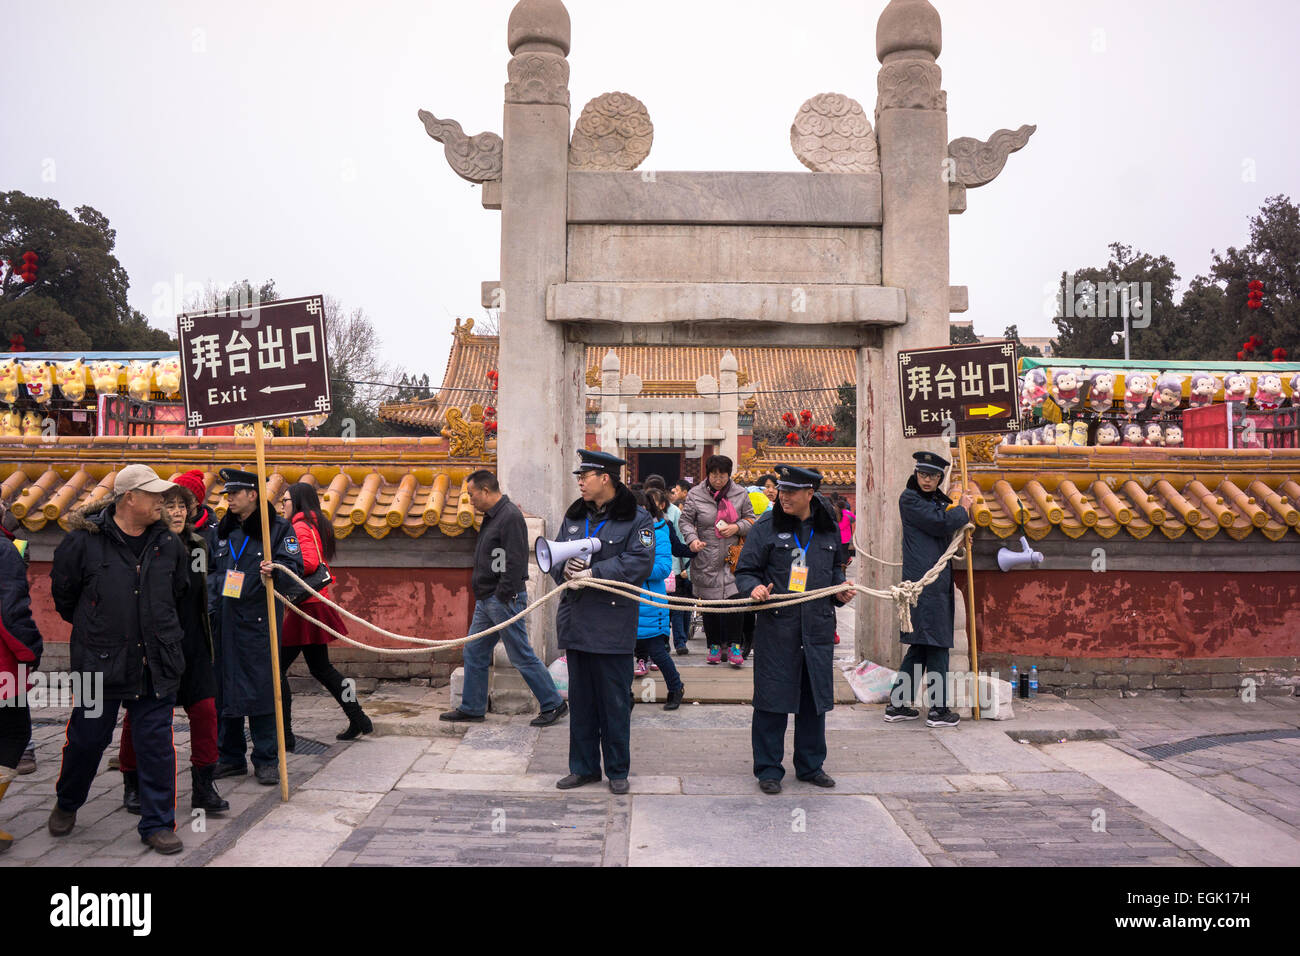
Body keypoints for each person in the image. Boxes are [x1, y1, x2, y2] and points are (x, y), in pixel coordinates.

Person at [48, 464, 189, 854]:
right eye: (155, 495)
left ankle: (158, 822)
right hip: (99, 660)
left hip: (155, 660)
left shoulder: (168, 544)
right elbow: (65, 596)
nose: (163, 502)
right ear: (130, 498)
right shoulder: (83, 542)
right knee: (86, 740)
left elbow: (178, 592)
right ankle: (68, 801)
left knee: (157, 746)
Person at [735, 466, 854, 794]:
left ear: (810, 493)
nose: (782, 495)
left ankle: (810, 765)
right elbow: (745, 571)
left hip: (816, 629)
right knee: (772, 700)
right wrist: (754, 589)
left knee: (813, 700)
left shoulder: (828, 529)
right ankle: (769, 768)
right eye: (781, 489)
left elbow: (834, 574)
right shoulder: (766, 527)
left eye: (790, 491)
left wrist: (840, 592)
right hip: (778, 628)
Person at [118, 476, 228, 817]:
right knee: (142, 717)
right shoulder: (144, 548)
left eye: (183, 506)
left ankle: (203, 785)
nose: (177, 512)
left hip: (193, 643)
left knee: (206, 711)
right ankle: (133, 783)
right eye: (169, 505)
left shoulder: (198, 546)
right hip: (153, 646)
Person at [548, 450, 654, 794]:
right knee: (580, 702)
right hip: (577, 620)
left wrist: (596, 572)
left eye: (586, 475)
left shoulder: (636, 519)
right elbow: (554, 555)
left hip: (613, 624)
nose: (580, 481)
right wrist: (561, 570)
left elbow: (639, 563)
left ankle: (618, 770)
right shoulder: (575, 516)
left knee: (614, 702)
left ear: (605, 478)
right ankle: (583, 768)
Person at [441, 470, 567, 727]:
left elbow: (516, 559)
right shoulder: (492, 516)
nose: (470, 499)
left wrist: (503, 593)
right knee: (474, 651)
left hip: (502, 599)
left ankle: (553, 702)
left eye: (472, 494)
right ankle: (473, 706)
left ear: (486, 491)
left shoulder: (509, 516)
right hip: (487, 599)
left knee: (520, 654)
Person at [210, 468, 303, 786]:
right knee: (225, 690)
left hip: (259, 625)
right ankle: (229, 756)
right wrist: (219, 588)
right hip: (224, 621)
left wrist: (274, 570)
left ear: (252, 494)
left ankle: (266, 759)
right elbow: (208, 570)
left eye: (234, 493)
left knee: (263, 691)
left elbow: (293, 569)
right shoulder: (220, 530)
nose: (229, 499)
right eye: (227, 494)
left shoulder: (277, 529)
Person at [276, 482, 373, 743]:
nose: (281, 505)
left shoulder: (298, 526)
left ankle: (284, 735)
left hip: (305, 607)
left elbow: (307, 562)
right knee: (322, 669)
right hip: (314, 603)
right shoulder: (313, 523)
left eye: (284, 500)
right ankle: (358, 718)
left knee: (276, 668)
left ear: (295, 502)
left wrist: (277, 567)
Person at [884, 451, 972, 728]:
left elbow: (944, 528)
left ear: (939, 478)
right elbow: (940, 523)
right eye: (923, 474)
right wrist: (963, 509)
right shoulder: (909, 499)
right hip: (924, 585)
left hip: (934, 583)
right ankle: (938, 710)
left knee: (921, 647)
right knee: (936, 646)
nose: (927, 479)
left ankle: (897, 704)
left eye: (933, 476)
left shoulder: (935, 501)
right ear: (916, 474)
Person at [678, 454, 756, 667]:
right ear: (708, 474)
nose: (718, 480)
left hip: (734, 556)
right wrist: (693, 540)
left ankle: (734, 646)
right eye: (714, 475)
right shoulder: (695, 495)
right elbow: (685, 521)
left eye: (722, 475)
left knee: (735, 602)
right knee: (710, 603)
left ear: (729, 475)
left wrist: (737, 527)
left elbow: (751, 519)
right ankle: (713, 645)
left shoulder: (740, 494)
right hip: (706, 556)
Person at [0, 500, 42, 854]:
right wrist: (32, 649)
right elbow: (13, 608)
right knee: (14, 733)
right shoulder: (4, 550)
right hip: (2, 661)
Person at [632, 489, 687, 709]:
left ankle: (675, 687)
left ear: (645, 509)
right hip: (626, 601)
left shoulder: (657, 531)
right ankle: (624, 696)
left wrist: (631, 569)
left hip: (650, 603)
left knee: (657, 650)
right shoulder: (623, 530)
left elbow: (664, 568)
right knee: (623, 654)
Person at [663, 479, 694, 654]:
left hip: (675, 568)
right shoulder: (645, 515)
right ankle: (664, 641)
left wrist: (687, 567)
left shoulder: (674, 512)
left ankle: (680, 642)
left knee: (679, 606)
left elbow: (682, 541)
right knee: (660, 608)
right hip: (656, 569)